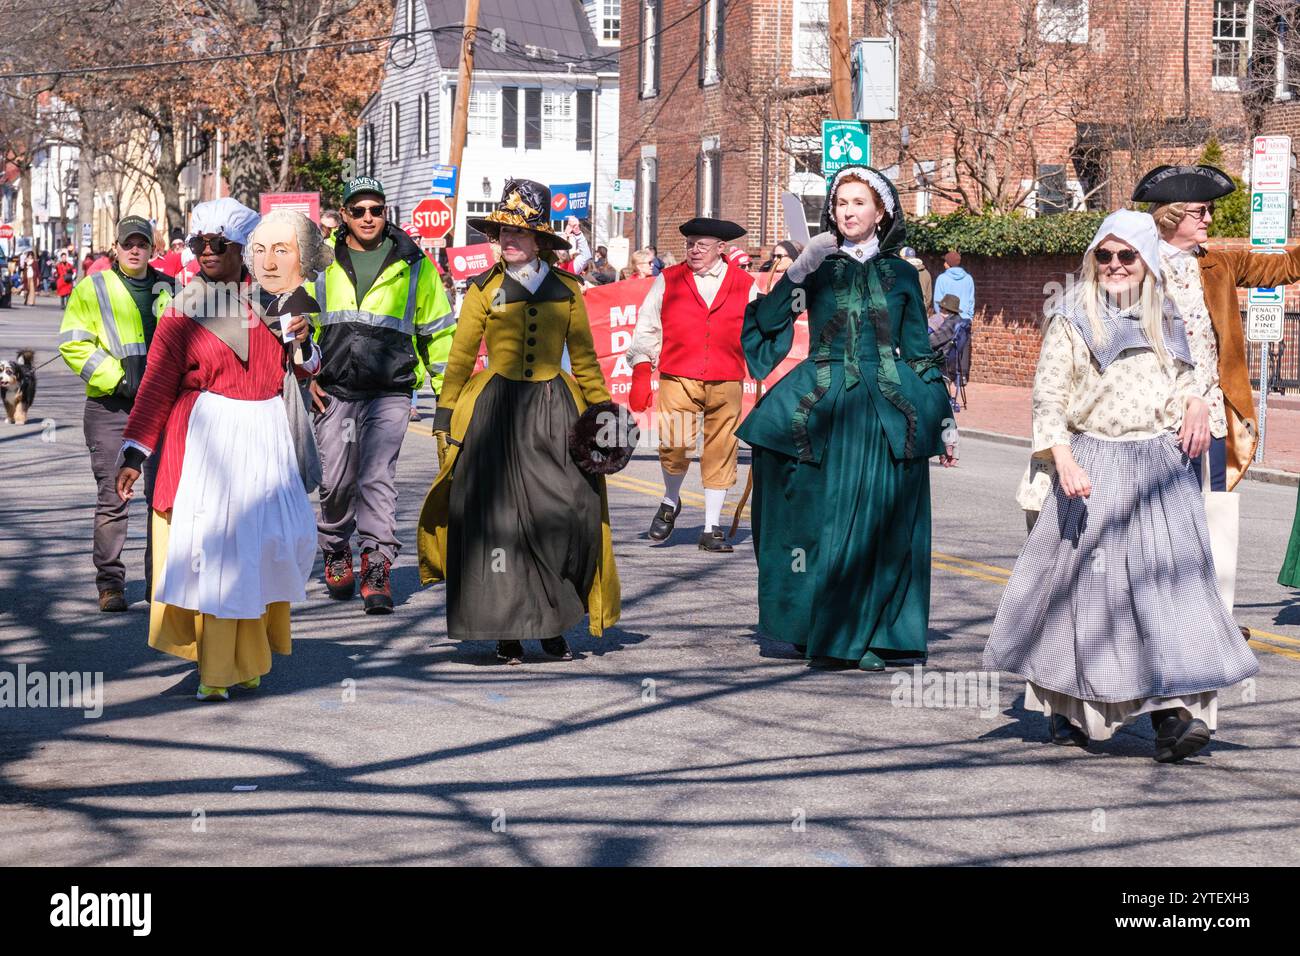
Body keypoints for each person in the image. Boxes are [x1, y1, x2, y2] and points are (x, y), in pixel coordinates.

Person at [986, 209, 1257, 761]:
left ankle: (1170, 716)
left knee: (1166, 592)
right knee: (1087, 598)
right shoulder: (1072, 318)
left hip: (1160, 469)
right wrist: (1062, 459)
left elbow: (1188, 377)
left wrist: (1198, 402)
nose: (1114, 265)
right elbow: (1049, 398)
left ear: (1145, 261)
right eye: (1103, 256)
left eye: (1126, 255)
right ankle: (1068, 706)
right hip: (1094, 465)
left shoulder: (1168, 318)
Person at [737, 165, 955, 670]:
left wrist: (942, 420)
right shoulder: (818, 270)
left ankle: (878, 631)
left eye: (859, 203)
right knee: (812, 519)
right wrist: (797, 271)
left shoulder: (902, 274)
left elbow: (920, 352)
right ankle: (816, 625)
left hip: (885, 407)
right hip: (821, 402)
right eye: (841, 204)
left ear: (881, 213)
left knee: (884, 521)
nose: (849, 212)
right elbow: (769, 323)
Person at [114, 198, 320, 702]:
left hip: (265, 435)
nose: (207, 251)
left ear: (243, 250)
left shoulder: (279, 300)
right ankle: (215, 667)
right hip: (208, 436)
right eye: (199, 242)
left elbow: (309, 369)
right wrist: (135, 452)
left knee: (258, 547)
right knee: (214, 550)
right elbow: (158, 385)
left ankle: (247, 661)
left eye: (219, 244)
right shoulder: (182, 309)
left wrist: (304, 342)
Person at [417, 179, 622, 664]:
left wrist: (605, 414)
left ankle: (553, 624)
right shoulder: (483, 290)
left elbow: (587, 360)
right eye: (503, 232)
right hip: (494, 412)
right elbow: (462, 357)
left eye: (519, 233)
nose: (508, 240)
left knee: (568, 513)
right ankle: (506, 630)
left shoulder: (568, 290)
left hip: (556, 412)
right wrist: (445, 417)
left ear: (539, 241)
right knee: (499, 525)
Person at [310, 177, 455, 613]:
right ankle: (336, 548)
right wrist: (304, 378)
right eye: (359, 210)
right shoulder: (320, 262)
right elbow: (299, 326)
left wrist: (448, 397)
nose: (368, 217)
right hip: (333, 390)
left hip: (390, 392)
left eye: (376, 209)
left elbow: (440, 332)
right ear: (345, 215)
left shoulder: (415, 265)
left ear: (386, 212)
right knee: (335, 481)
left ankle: (377, 564)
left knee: (376, 478)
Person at [58, 216, 174, 612]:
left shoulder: (171, 288)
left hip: (161, 408)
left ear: (153, 247)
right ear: (117, 247)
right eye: (129, 244)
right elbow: (73, 344)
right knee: (114, 496)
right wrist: (118, 379)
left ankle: (159, 582)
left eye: (142, 243)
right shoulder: (94, 288)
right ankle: (111, 584)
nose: (135, 249)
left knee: (163, 498)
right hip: (111, 407)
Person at [626, 217, 758, 552]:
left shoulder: (744, 284)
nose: (694, 250)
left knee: (721, 449)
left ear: (721, 249)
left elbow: (759, 327)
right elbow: (647, 324)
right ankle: (670, 500)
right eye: (690, 243)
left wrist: (763, 354)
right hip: (679, 375)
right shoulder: (669, 279)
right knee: (674, 443)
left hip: (726, 377)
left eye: (702, 244)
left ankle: (711, 527)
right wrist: (642, 368)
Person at [931, 249, 974, 321]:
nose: (944, 263)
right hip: (964, 319)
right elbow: (971, 301)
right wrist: (970, 317)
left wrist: (941, 316)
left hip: (946, 319)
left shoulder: (942, 278)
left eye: (945, 261)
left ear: (948, 263)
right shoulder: (968, 278)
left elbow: (937, 301)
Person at [901, 245, 933, 314]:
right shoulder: (926, 272)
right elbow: (929, 297)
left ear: (903, 258)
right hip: (922, 311)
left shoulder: (904, 271)